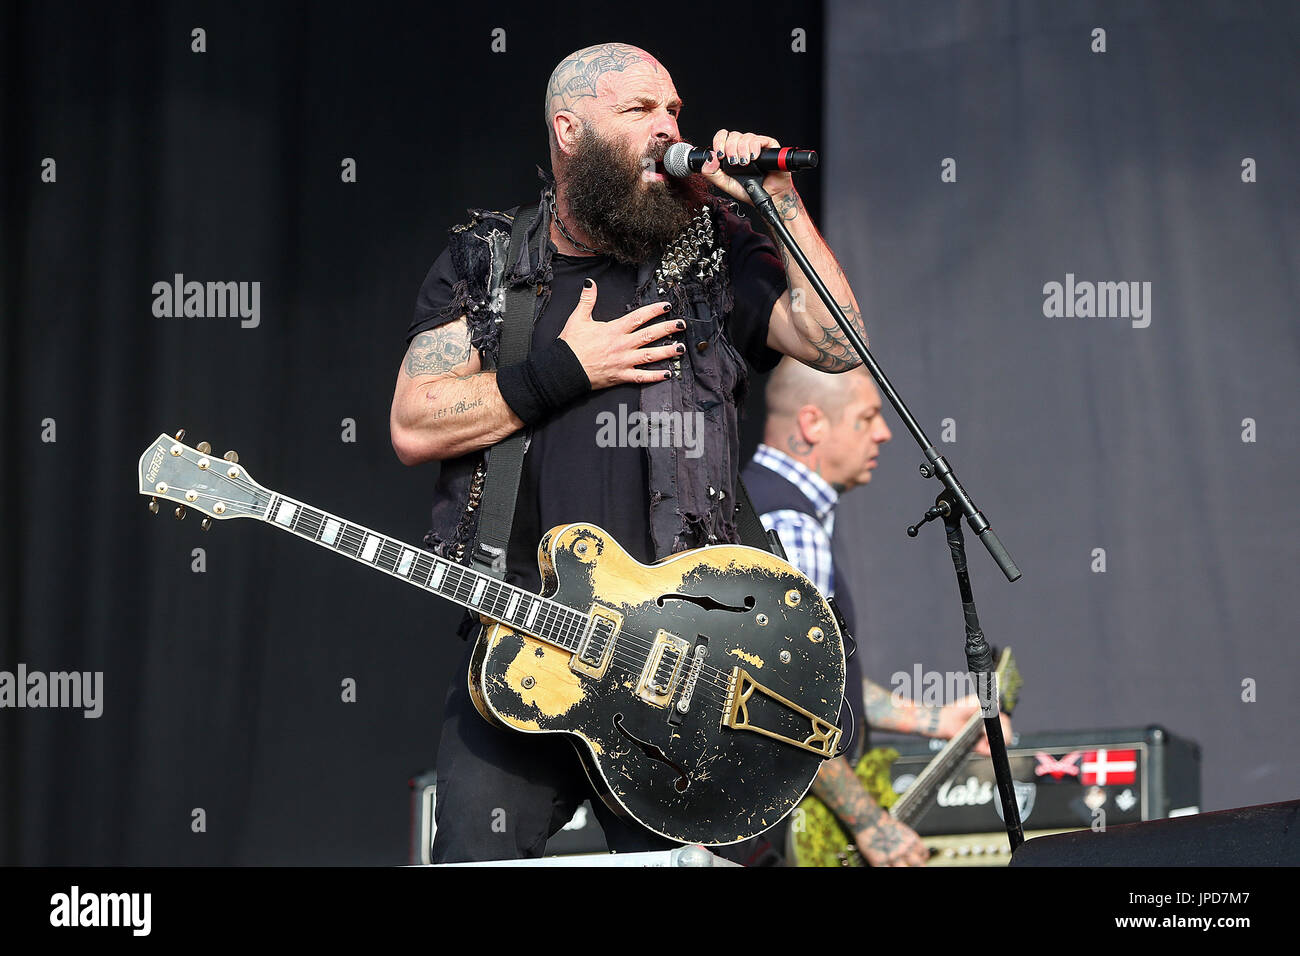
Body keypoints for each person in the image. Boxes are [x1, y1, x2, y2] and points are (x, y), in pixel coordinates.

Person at [390, 42, 868, 862]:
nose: (669, 127)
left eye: (674, 110)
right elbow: (414, 422)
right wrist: (566, 371)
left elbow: (839, 342)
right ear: (569, 131)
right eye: (640, 110)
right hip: (526, 647)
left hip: (691, 661)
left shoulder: (710, 252)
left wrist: (778, 199)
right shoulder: (490, 261)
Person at [741, 357, 1012, 866]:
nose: (885, 434)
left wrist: (936, 719)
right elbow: (787, 700)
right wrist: (869, 822)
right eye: (867, 419)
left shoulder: (765, 503)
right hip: (776, 828)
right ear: (811, 422)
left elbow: (820, 679)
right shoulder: (790, 525)